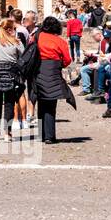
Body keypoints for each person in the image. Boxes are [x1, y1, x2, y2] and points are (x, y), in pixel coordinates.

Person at [33, 16, 72, 144]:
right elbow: (67, 60)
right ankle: (49, 136)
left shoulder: (38, 37)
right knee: (50, 105)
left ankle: (41, 134)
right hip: (53, 72)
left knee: (41, 103)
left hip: (39, 71)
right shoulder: (60, 41)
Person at [0, 20, 24, 141]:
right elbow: (24, 58)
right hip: (11, 75)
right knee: (9, 104)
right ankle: (7, 133)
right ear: (9, 29)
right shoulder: (16, 42)